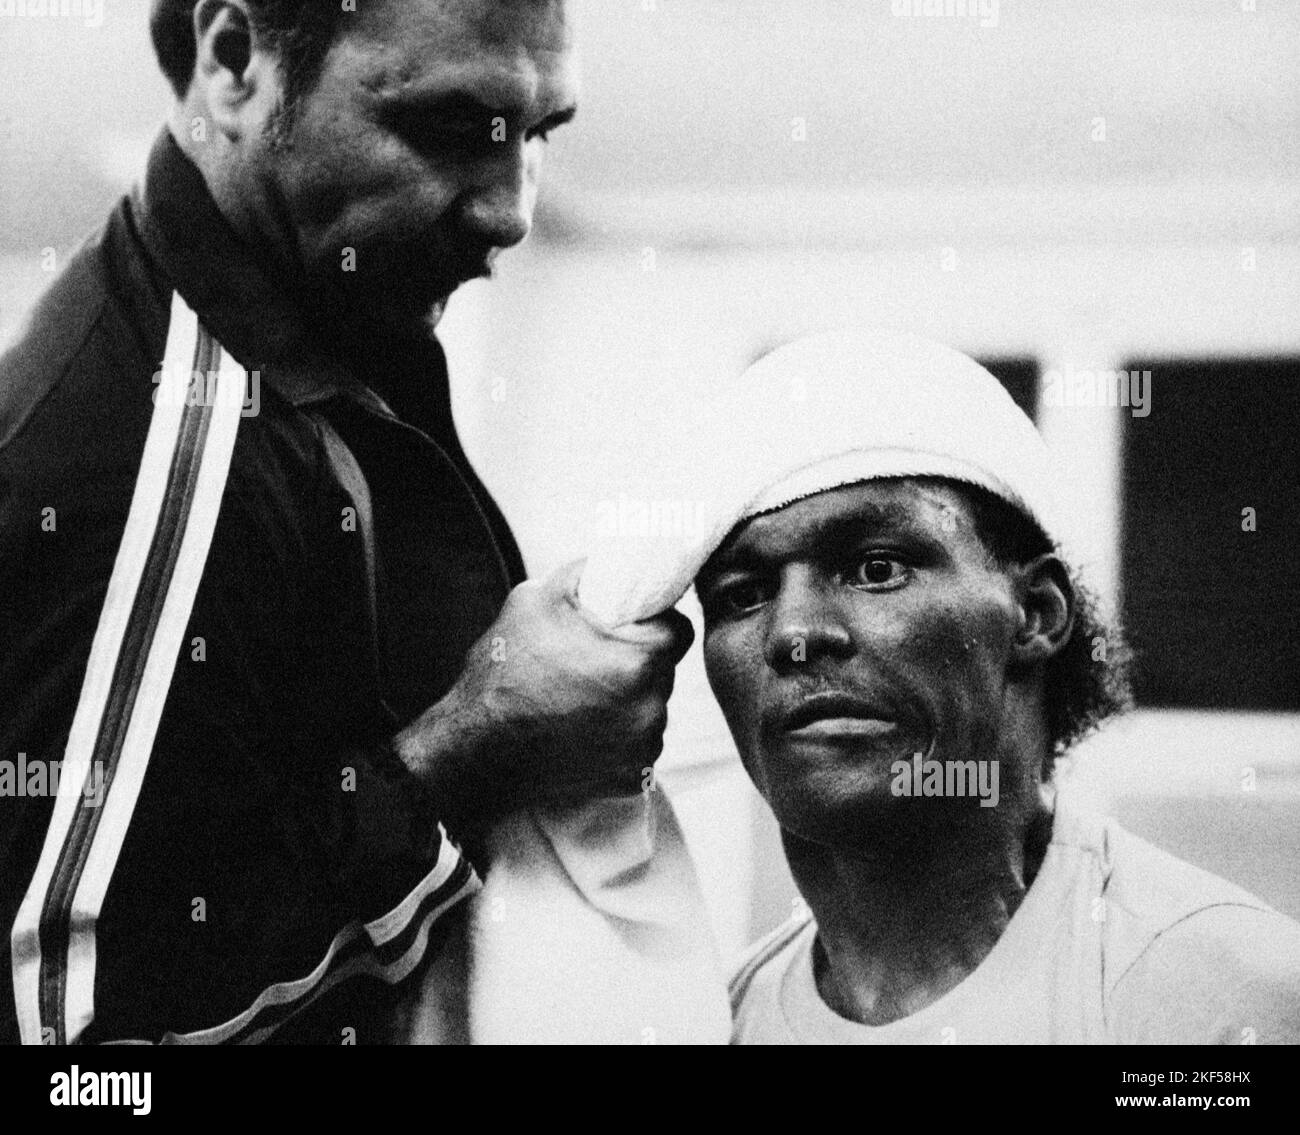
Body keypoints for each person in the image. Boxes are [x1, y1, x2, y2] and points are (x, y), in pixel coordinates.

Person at [0, 0, 692, 1045]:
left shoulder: (333, 318)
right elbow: (71, 1054)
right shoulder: (151, 452)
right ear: (236, 62)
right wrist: (476, 744)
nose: (511, 211)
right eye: (453, 129)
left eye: (538, 134)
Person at [584, 328, 1300, 1044]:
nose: (792, 632)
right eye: (742, 595)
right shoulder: (723, 1023)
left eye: (876, 567)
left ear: (1036, 614)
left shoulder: (1210, 995)